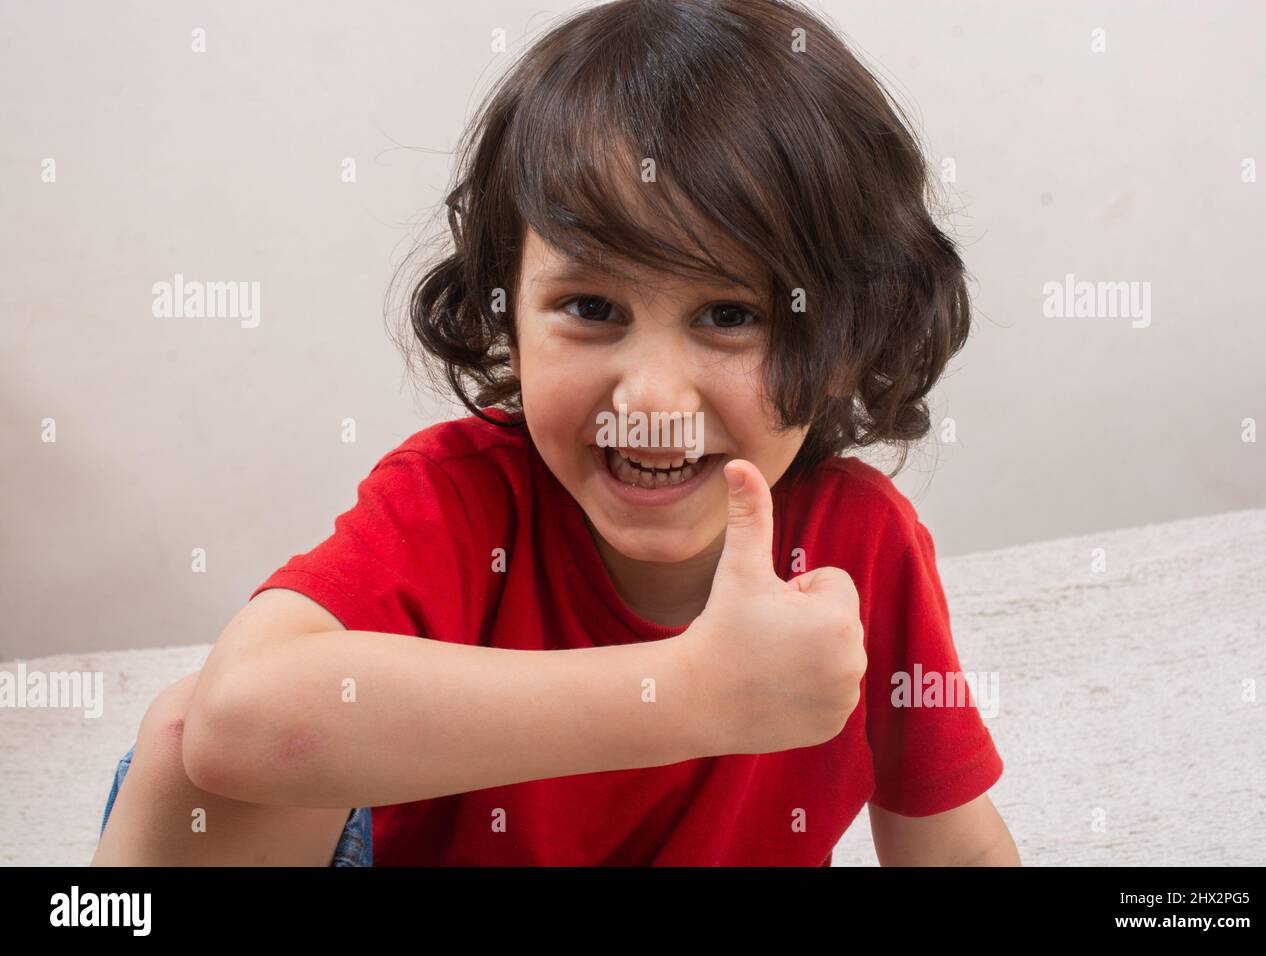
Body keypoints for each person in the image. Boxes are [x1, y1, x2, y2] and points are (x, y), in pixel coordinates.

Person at [92, 0, 1017, 866]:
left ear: (849, 336)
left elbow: (958, 848)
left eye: (732, 315)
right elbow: (235, 722)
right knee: (183, 745)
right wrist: (695, 695)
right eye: (590, 305)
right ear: (506, 312)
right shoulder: (460, 498)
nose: (651, 392)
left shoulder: (859, 549)